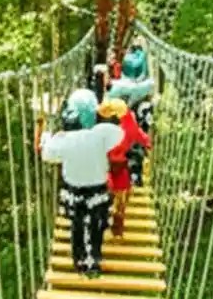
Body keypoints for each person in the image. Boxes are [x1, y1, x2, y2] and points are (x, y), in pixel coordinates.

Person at [38, 89, 125, 276]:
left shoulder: (63, 140)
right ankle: (94, 259)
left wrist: (47, 137)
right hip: (98, 192)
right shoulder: (102, 133)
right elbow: (120, 134)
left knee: (77, 225)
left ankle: (79, 260)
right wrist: (106, 117)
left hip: (73, 192)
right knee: (96, 226)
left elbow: (47, 155)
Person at [98, 98, 152, 238]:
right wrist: (148, 143)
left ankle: (107, 217)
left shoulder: (100, 125)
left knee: (109, 193)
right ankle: (117, 224)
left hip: (105, 166)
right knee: (122, 196)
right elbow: (140, 136)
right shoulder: (129, 124)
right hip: (120, 166)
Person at [107, 45, 155, 186]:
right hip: (127, 123)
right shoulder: (126, 87)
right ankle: (134, 175)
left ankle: (119, 180)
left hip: (114, 128)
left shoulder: (113, 90)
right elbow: (147, 86)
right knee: (134, 146)